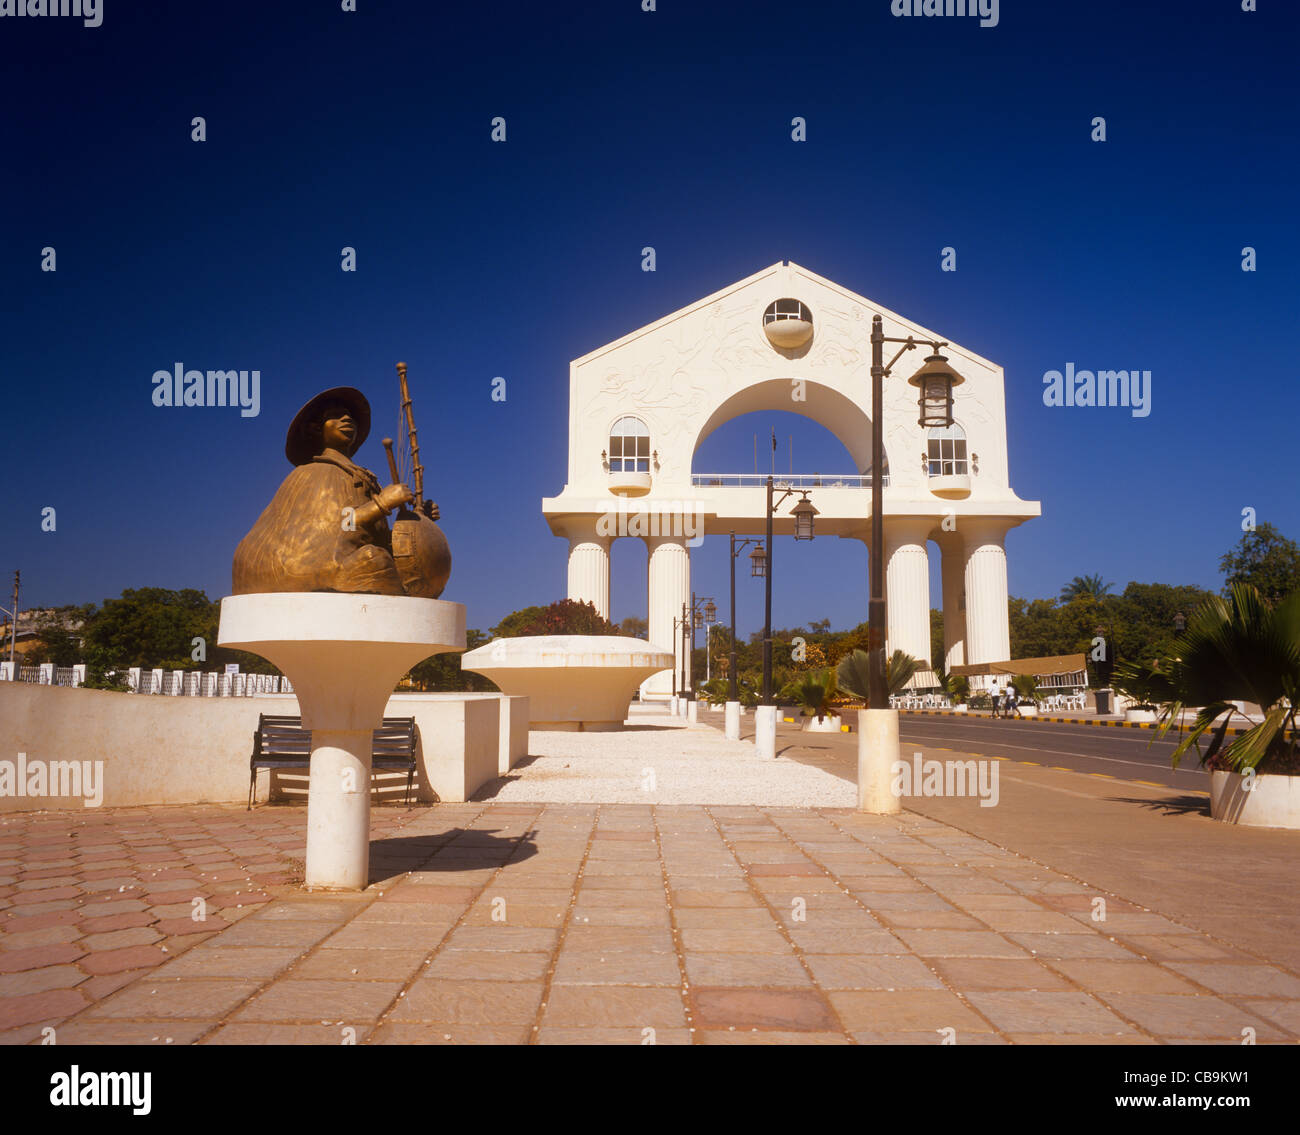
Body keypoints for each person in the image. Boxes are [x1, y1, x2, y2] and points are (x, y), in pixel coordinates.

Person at [233, 386, 425, 595]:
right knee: (375, 562)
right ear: (317, 428)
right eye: (335, 416)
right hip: (315, 564)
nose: (346, 419)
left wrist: (421, 523)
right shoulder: (312, 473)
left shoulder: (362, 476)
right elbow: (338, 524)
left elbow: (370, 535)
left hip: (356, 554)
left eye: (350, 416)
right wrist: (382, 504)